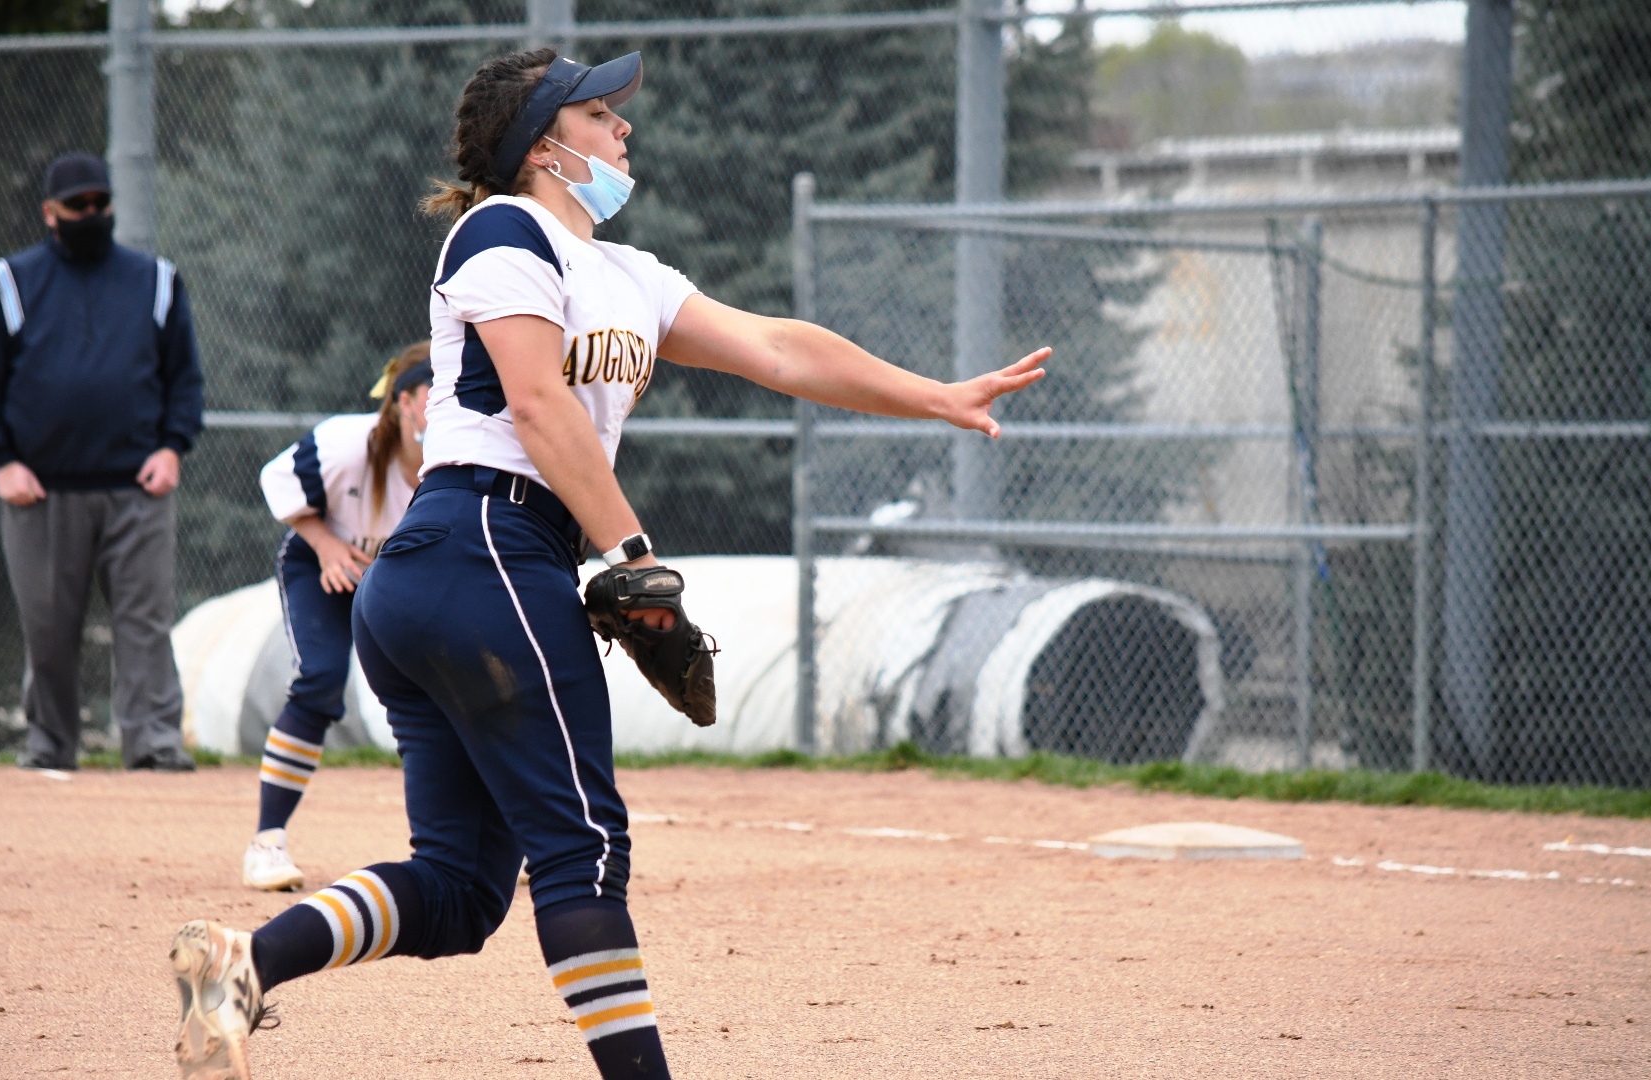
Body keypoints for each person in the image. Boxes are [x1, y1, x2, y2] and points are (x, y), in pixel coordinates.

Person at [167, 49, 1047, 1080]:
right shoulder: (502, 229)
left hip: (465, 570)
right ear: (543, 146)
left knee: (459, 892)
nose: (623, 128)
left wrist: (934, 395)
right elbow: (536, 406)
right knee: (584, 854)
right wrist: (630, 548)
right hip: (483, 544)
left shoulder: (626, 276)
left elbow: (777, 348)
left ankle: (243, 964)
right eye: (599, 113)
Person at [0, 152, 205, 773]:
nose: (92, 214)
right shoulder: (9, 284)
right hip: (39, 491)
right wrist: (2, 461)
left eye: (101, 203)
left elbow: (186, 381)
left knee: (145, 624)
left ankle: (152, 741)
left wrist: (173, 447)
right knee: (49, 629)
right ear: (49, 213)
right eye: (78, 206)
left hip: (137, 486)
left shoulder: (156, 281)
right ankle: (50, 745)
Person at [243, 345, 434, 892]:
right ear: (403, 402)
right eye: (434, 392)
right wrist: (325, 544)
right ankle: (266, 842)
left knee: (457, 693)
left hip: (399, 581)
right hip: (329, 570)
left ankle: (489, 840)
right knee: (320, 679)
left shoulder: (467, 452)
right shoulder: (347, 443)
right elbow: (276, 479)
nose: (448, 403)